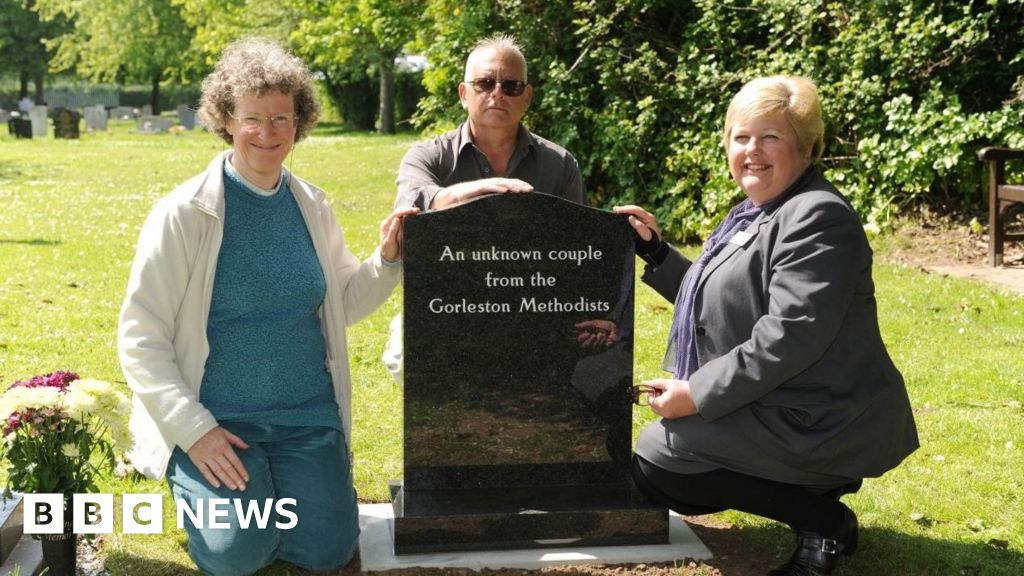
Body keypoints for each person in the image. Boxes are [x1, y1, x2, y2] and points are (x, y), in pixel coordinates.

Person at [118, 39, 416, 576]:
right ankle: (197, 479)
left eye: (282, 118)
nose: (268, 133)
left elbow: (341, 304)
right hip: (220, 423)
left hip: (307, 418)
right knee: (237, 554)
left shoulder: (312, 204)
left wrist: (387, 260)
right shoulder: (184, 214)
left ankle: (279, 490)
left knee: (327, 550)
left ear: (299, 122)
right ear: (227, 119)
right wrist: (195, 429)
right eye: (253, 118)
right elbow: (141, 337)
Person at [615, 76, 918, 576]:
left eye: (770, 137)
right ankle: (804, 491)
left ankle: (823, 520)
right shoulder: (756, 213)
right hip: (780, 400)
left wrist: (695, 393)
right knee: (662, 457)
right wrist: (657, 253)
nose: (751, 151)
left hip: (823, 415)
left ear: (806, 146)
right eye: (741, 137)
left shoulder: (817, 216)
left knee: (660, 456)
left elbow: (789, 336)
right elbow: (716, 297)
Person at [384, 34, 588, 383]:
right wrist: (478, 191)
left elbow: (580, 247)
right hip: (447, 303)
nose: (497, 93)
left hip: (534, 303)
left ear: (526, 97)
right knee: (406, 357)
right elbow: (413, 206)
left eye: (510, 85)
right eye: (484, 83)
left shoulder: (559, 164)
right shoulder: (427, 156)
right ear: (464, 94)